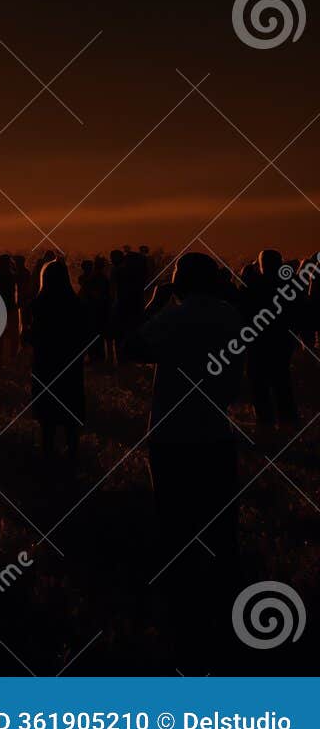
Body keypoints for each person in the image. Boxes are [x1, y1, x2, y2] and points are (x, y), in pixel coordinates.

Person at [125, 253, 243, 656]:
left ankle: (181, 616)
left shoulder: (173, 318)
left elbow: (130, 347)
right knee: (220, 527)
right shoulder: (230, 316)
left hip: (172, 435)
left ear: (180, 283)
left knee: (174, 524)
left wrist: (152, 305)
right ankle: (226, 610)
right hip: (215, 433)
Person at [23, 259, 90, 460]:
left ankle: (48, 453)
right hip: (70, 366)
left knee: (47, 417)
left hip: (46, 365)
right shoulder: (76, 304)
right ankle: (72, 452)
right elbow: (86, 335)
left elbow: (31, 337)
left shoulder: (39, 305)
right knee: (70, 413)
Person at [242, 248, 303, 429]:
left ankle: (265, 421)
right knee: (281, 380)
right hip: (282, 340)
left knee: (258, 382)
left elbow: (244, 307)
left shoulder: (254, 285)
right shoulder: (289, 285)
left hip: (258, 342)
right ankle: (288, 420)